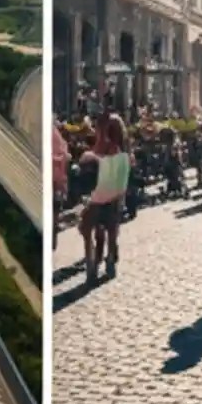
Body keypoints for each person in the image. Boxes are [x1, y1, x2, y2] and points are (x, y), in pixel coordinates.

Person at [78, 114, 132, 282]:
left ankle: (91, 264)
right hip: (115, 197)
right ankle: (109, 257)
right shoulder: (125, 156)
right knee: (112, 228)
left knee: (87, 229)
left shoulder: (96, 154)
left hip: (97, 198)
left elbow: (89, 165)